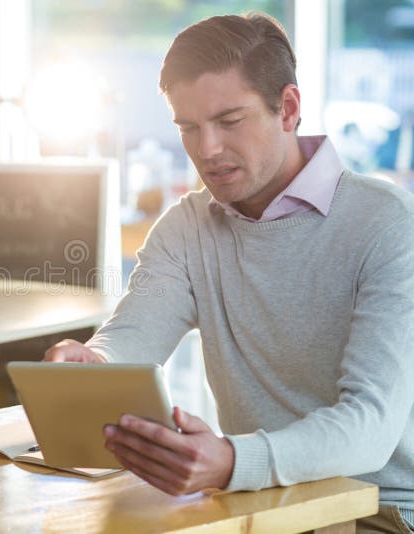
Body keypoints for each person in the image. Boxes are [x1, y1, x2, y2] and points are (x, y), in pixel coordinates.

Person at [45, 12, 414, 532]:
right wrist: (94, 361)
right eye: (189, 128)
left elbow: (370, 426)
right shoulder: (187, 228)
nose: (207, 150)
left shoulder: (387, 223)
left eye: (229, 121)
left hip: (381, 512)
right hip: (259, 507)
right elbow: (131, 337)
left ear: (288, 108)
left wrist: (233, 461)